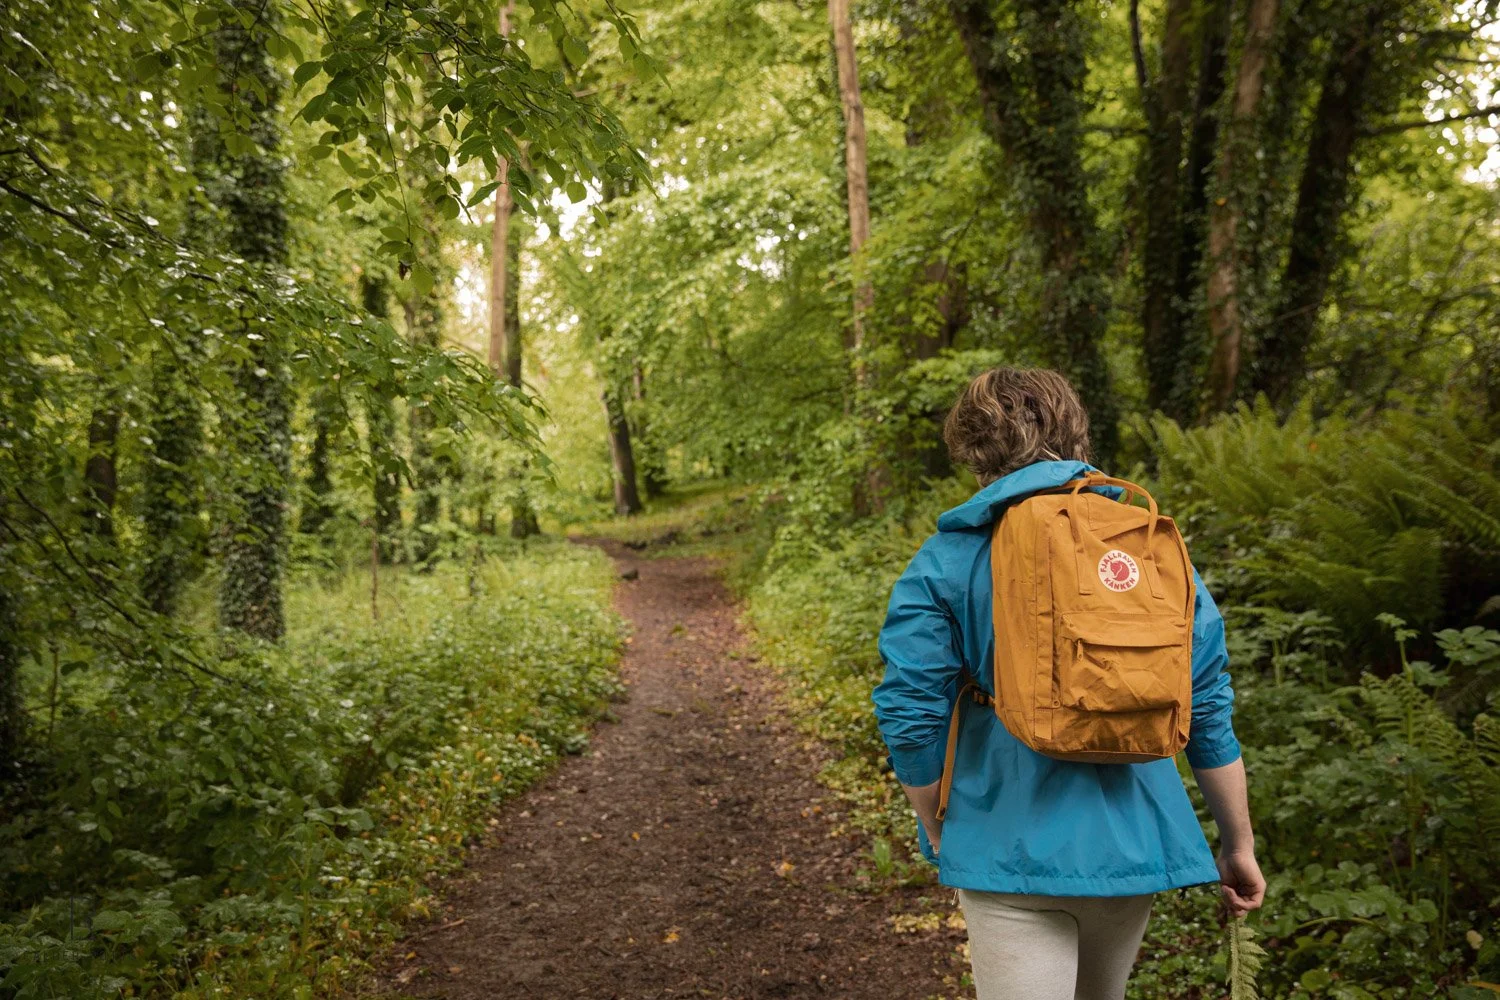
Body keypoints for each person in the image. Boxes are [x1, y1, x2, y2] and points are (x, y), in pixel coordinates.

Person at [872, 367, 1265, 1000]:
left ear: (973, 451)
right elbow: (1207, 702)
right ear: (1078, 433)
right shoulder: (1146, 547)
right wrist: (1238, 842)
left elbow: (910, 708)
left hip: (1009, 843)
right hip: (1133, 844)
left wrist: (937, 820)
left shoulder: (947, 559)